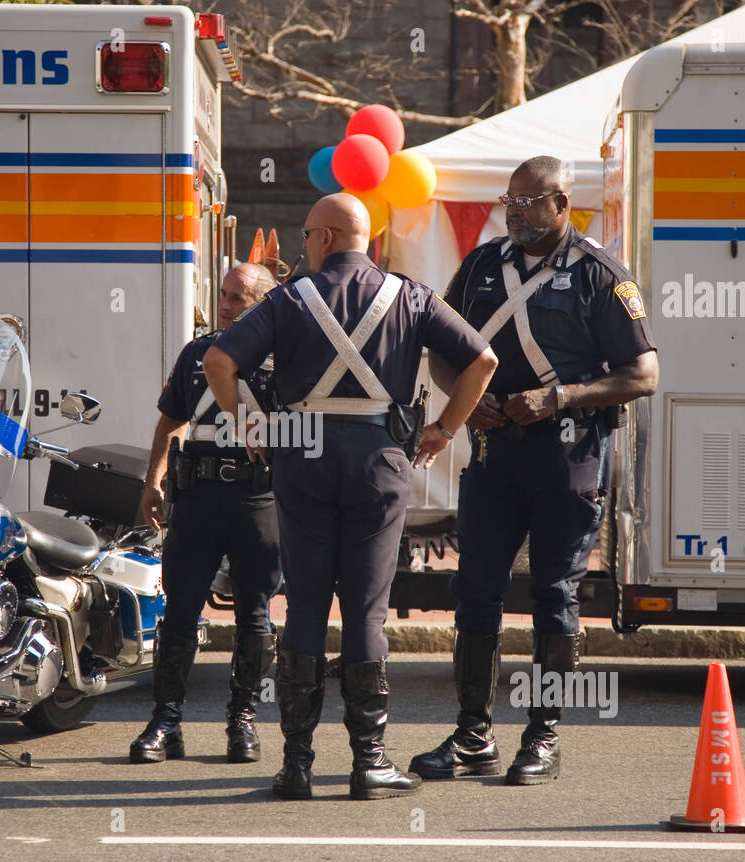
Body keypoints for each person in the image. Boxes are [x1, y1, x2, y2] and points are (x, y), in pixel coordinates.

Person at [205, 194, 497, 800]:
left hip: (300, 456)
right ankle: (369, 762)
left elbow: (218, 360)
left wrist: (249, 425)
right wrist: (446, 428)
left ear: (329, 238)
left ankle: (297, 766)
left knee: (306, 606)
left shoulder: (289, 299)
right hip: (378, 460)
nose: (304, 244)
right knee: (366, 609)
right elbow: (482, 359)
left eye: (309, 234)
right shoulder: (409, 294)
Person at [412, 156, 659, 786]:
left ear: (561, 204)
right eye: (508, 200)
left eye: (527, 202)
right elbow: (442, 352)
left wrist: (560, 397)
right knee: (475, 592)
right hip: (496, 456)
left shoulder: (600, 274)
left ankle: (542, 737)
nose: (513, 212)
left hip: (569, 458)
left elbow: (643, 375)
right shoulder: (481, 266)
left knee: (554, 596)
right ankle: (472, 736)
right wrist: (467, 406)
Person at [128, 263, 282, 764]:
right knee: (178, 612)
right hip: (195, 499)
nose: (225, 305)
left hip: (257, 500)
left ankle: (242, 721)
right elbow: (171, 421)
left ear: (263, 303)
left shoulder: (289, 360)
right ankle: (165, 722)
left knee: (254, 616)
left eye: (238, 298)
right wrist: (153, 480)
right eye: (223, 295)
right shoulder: (198, 353)